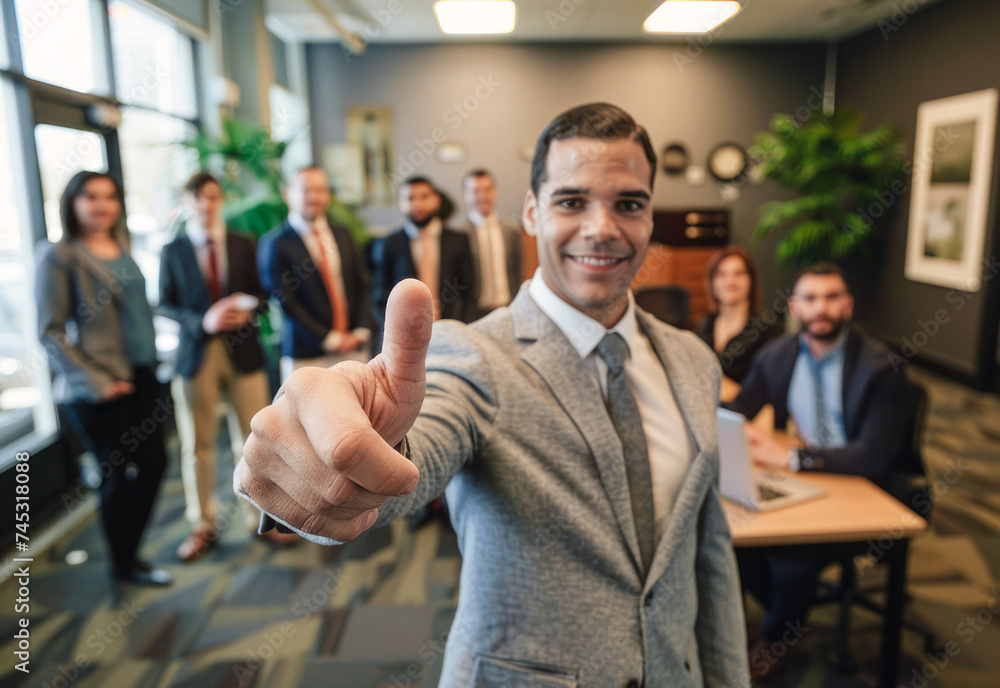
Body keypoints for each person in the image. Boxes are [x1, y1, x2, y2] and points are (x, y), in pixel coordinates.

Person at [236, 103, 749, 687]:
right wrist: (344, 453)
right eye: (572, 201)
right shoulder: (474, 355)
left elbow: (709, 554)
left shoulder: (693, 362)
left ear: (650, 214)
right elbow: (422, 448)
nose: (602, 227)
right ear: (531, 211)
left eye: (629, 204)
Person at [725, 261, 910, 680]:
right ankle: (784, 617)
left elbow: (873, 457)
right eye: (810, 298)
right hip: (812, 479)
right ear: (794, 307)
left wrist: (793, 459)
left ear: (848, 305)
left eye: (831, 297)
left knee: (791, 555)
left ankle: (777, 634)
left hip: (870, 488)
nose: (821, 308)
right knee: (736, 538)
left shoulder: (883, 367)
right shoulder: (778, 356)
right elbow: (740, 408)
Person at [36, 171, 172, 586]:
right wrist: (98, 382)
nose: (101, 205)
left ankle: (130, 553)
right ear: (72, 203)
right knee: (117, 476)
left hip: (143, 376)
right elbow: (50, 332)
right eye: (90, 196)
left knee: (154, 464)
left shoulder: (121, 245)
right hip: (100, 389)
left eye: (109, 196)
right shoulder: (59, 255)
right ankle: (124, 563)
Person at [159, 172, 288, 561]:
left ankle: (258, 517)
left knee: (253, 441)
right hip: (198, 354)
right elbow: (165, 305)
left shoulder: (242, 242)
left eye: (212, 196)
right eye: (197, 197)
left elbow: (263, 294)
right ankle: (203, 524)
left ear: (221, 200)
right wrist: (204, 320)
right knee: (197, 446)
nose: (206, 204)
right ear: (186, 202)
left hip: (243, 350)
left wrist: (248, 306)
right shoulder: (173, 250)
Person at [258, 166, 373, 379]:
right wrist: (329, 339)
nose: (314, 197)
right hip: (306, 356)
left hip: (354, 349)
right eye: (306, 190)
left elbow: (363, 284)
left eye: (320, 190)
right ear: (288, 194)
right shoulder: (275, 244)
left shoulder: (343, 234)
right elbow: (286, 301)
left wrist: (361, 329)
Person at [368, 176, 477, 350]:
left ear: (436, 200)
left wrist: (460, 328)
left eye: (424, 196)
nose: (418, 204)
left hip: (451, 333)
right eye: (410, 198)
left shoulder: (458, 240)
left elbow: (469, 289)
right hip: (405, 339)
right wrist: (394, 332)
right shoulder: (389, 243)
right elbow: (380, 294)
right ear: (401, 203)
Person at [695, 246, 784, 401]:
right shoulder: (705, 324)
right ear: (712, 282)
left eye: (739, 273)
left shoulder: (769, 329)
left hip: (749, 412)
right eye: (722, 274)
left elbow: (774, 389)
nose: (730, 281)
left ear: (751, 280)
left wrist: (726, 389)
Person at [461, 168, 523, 320]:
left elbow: (518, 270)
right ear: (466, 195)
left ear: (495, 191)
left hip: (508, 308)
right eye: (476, 191)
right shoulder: (461, 235)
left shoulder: (511, 230)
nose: (482, 196)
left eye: (487, 189)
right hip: (475, 314)